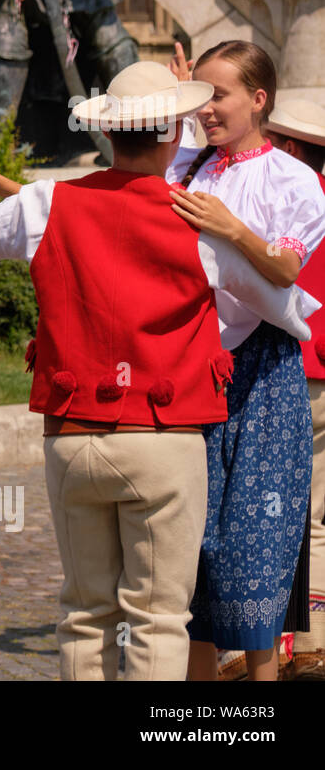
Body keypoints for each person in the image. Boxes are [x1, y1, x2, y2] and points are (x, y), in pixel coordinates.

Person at [0, 59, 317, 679]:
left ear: (108, 134)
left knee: (85, 613)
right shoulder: (197, 217)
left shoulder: (47, 201)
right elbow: (278, 299)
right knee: (158, 617)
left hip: (72, 435)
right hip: (164, 438)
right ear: (171, 134)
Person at [161, 41, 325, 681]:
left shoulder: (293, 178)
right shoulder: (194, 162)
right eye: (200, 97)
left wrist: (230, 228)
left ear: (258, 100)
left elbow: (286, 266)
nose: (207, 109)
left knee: (256, 539)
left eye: (217, 95)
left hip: (263, 371)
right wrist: (179, 105)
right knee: (194, 542)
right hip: (195, 359)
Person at [252, 96, 325, 680]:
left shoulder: (287, 204)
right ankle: (313, 640)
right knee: (318, 514)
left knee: (268, 511)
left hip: (290, 372)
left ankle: (265, 644)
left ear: (295, 150)